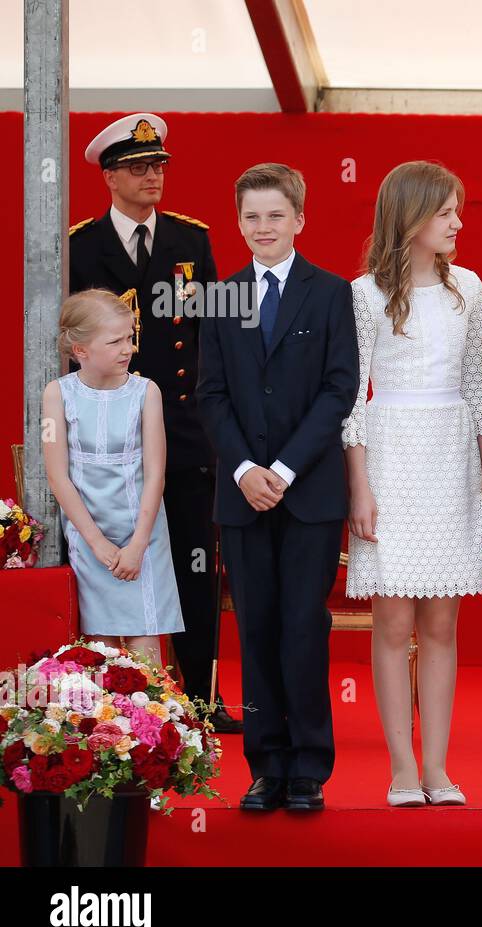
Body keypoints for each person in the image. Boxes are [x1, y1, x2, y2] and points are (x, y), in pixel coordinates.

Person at [68, 113, 239, 734]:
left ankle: (200, 695)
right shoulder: (80, 246)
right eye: (139, 168)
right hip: (108, 433)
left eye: (159, 166)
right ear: (110, 177)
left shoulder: (191, 242)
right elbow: (67, 343)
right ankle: (109, 694)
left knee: (196, 560)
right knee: (109, 558)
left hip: (185, 426)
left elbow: (216, 332)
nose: (153, 177)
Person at [196, 163, 360, 811]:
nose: (262, 228)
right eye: (251, 217)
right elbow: (210, 396)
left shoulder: (330, 293)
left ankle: (309, 768)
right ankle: (265, 764)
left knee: (302, 625)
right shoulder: (220, 295)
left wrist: (285, 470)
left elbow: (338, 388)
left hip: (309, 491)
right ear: (238, 223)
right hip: (242, 494)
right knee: (256, 628)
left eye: (275, 215)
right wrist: (243, 470)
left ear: (299, 219)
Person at [344, 161, 482, 808]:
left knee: (442, 622)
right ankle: (402, 769)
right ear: (410, 217)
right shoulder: (361, 295)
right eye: (445, 212)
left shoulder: (467, 286)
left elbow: (476, 387)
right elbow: (352, 396)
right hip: (388, 455)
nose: (457, 222)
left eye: (457, 210)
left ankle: (438, 769)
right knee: (391, 621)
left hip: (451, 457)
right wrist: (358, 486)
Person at [42, 290, 184, 665]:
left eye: (130, 337)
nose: (128, 349)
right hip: (89, 536)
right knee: (98, 655)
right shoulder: (57, 395)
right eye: (116, 341)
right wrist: (97, 543)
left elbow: (155, 475)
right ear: (81, 350)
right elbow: (58, 476)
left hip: (143, 533)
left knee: (148, 658)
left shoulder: (146, 392)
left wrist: (137, 546)